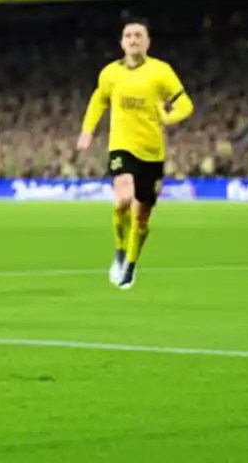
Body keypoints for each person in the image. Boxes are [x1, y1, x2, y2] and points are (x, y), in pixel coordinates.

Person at [77, 18, 193, 290]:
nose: (133, 39)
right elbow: (98, 100)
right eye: (128, 35)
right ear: (121, 43)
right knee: (122, 199)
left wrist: (169, 117)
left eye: (139, 35)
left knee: (141, 216)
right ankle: (119, 251)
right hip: (121, 145)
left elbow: (185, 104)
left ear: (148, 42)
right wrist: (87, 130)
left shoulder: (161, 72)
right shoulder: (110, 74)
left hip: (151, 152)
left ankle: (130, 263)